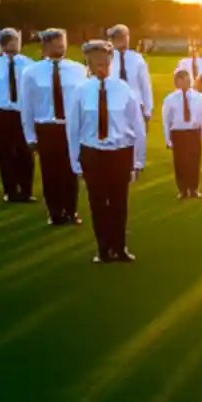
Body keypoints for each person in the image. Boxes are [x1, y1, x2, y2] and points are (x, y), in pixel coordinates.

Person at [67, 40, 146, 263]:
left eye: (105, 61)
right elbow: (73, 128)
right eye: (96, 62)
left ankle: (120, 247)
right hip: (93, 154)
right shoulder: (81, 91)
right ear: (88, 64)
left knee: (119, 203)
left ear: (111, 62)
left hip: (119, 153)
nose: (101, 66)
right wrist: (76, 162)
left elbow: (138, 127)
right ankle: (103, 249)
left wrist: (138, 160)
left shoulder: (124, 90)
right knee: (98, 203)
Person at [20, 28, 87, 225]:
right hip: (47, 127)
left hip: (71, 127)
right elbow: (27, 106)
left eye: (63, 41)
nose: (61, 46)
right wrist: (30, 136)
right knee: (50, 172)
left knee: (71, 170)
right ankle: (55, 212)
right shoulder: (31, 72)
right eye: (57, 42)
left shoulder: (78, 70)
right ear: (46, 45)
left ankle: (71, 210)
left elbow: (84, 101)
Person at [0, 28, 36, 203]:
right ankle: (10, 190)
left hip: (23, 112)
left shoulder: (28, 64)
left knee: (25, 151)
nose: (14, 44)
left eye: (16, 40)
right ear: (3, 44)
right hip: (3, 113)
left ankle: (26, 190)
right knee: (6, 153)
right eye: (10, 41)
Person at [161, 69, 202, 199]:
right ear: (176, 83)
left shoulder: (198, 97)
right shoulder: (170, 99)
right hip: (178, 133)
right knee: (180, 162)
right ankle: (182, 189)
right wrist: (168, 139)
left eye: (188, 80)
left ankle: (193, 188)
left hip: (193, 132)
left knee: (194, 160)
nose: (186, 83)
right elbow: (166, 120)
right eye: (182, 80)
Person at [105, 24, 154, 124]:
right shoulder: (107, 59)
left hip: (135, 106)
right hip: (114, 107)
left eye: (123, 37)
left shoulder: (137, 59)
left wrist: (147, 110)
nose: (121, 40)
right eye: (117, 38)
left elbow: (145, 85)